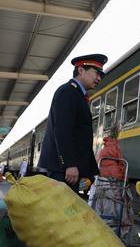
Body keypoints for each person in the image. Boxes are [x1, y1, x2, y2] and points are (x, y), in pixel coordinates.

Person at [39, 54, 105, 189]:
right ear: (81, 70)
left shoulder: (78, 95)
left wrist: (89, 171)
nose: (99, 78)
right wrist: (69, 164)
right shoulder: (68, 92)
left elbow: (81, 136)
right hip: (63, 169)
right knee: (61, 209)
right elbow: (63, 130)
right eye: (97, 73)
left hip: (67, 169)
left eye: (101, 76)